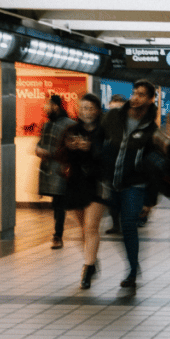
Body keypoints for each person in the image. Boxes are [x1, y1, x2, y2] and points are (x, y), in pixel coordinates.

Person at [101, 80, 163, 290]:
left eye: (141, 94)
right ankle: (132, 263)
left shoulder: (151, 129)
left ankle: (132, 271)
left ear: (151, 99)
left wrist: (150, 200)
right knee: (120, 227)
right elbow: (99, 141)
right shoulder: (114, 117)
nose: (135, 98)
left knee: (128, 225)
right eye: (134, 93)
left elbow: (155, 166)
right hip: (112, 182)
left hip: (135, 184)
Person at [56, 94, 107, 289]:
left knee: (91, 227)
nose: (87, 112)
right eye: (84, 108)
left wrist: (91, 148)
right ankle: (91, 259)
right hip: (76, 183)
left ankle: (87, 268)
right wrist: (69, 147)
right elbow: (59, 154)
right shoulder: (71, 130)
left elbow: (109, 156)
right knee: (83, 229)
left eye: (91, 108)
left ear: (98, 110)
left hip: (97, 183)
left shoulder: (103, 132)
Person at [36, 95, 75, 249]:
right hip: (49, 170)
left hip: (62, 170)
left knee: (60, 203)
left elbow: (70, 148)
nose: (45, 108)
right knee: (57, 203)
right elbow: (40, 143)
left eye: (48, 105)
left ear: (56, 106)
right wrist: (38, 149)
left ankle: (58, 235)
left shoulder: (69, 124)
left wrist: (49, 152)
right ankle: (57, 235)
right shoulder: (46, 125)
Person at [105, 94, 126, 235]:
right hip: (110, 166)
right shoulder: (106, 121)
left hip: (125, 167)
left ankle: (125, 223)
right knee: (113, 198)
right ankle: (116, 224)